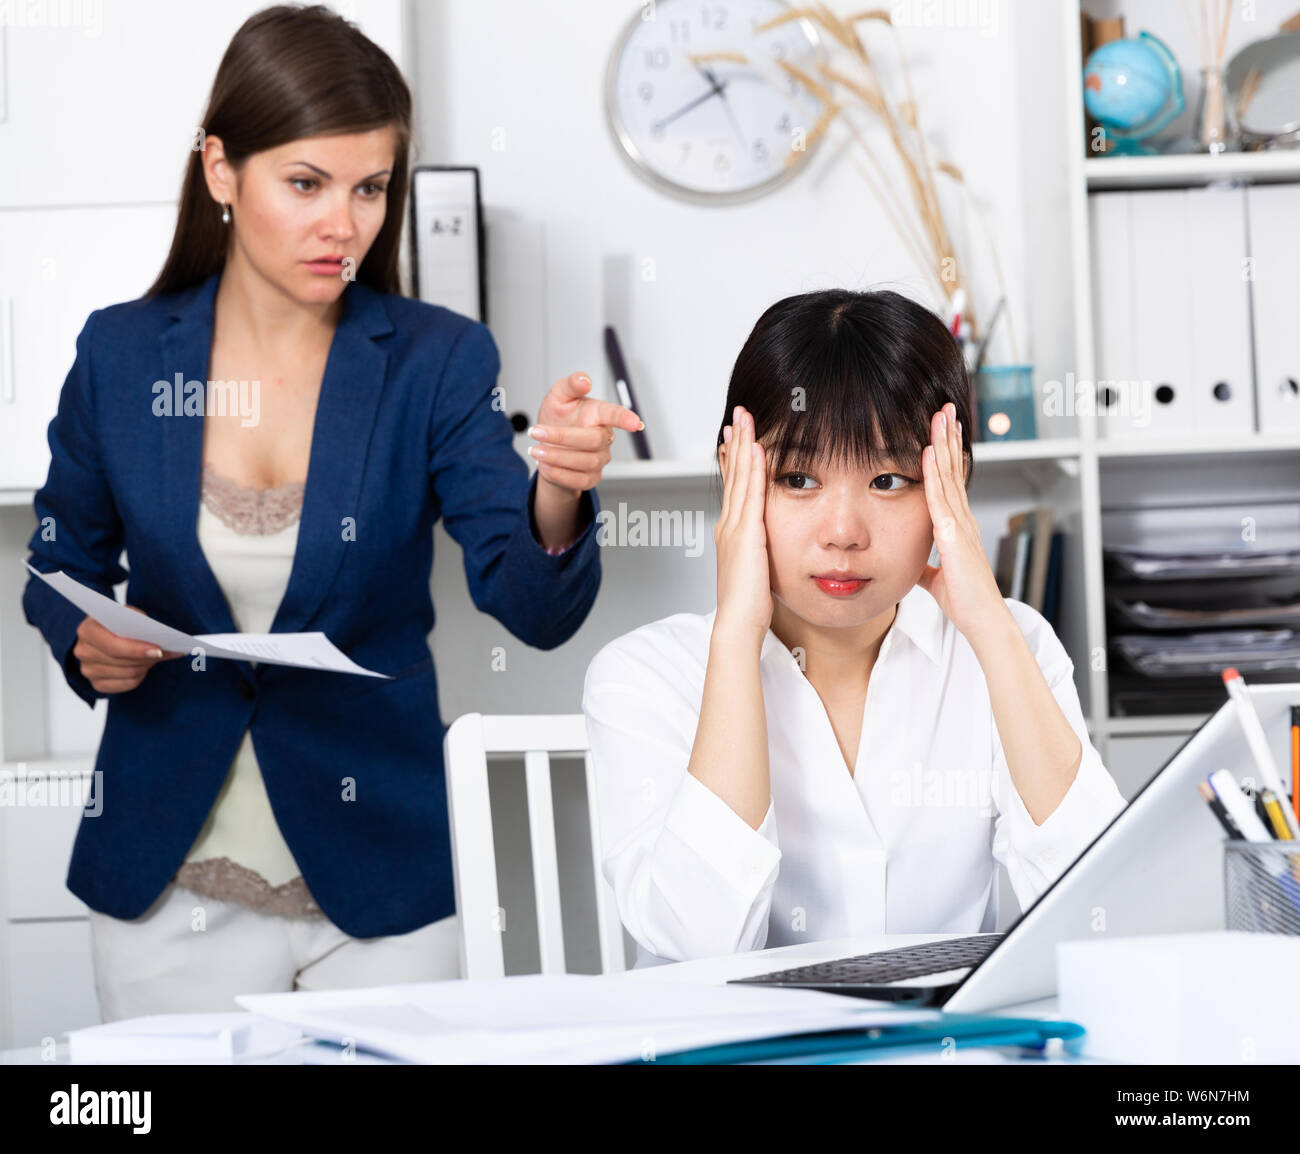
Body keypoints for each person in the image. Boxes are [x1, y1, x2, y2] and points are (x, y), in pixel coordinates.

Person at [21, 4, 640, 1020]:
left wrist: (559, 487)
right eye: (304, 183)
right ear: (221, 169)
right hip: (169, 882)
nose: (342, 224)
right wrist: (84, 632)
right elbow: (57, 555)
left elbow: (530, 606)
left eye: (368, 188)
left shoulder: (439, 359)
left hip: (387, 891)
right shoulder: (123, 355)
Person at [582, 288, 1126, 966]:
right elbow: (700, 950)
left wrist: (989, 624)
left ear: (951, 482)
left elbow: (1104, 916)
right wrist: (735, 641)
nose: (842, 534)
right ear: (735, 476)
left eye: (891, 480)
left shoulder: (1012, 647)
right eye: (800, 478)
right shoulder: (645, 676)